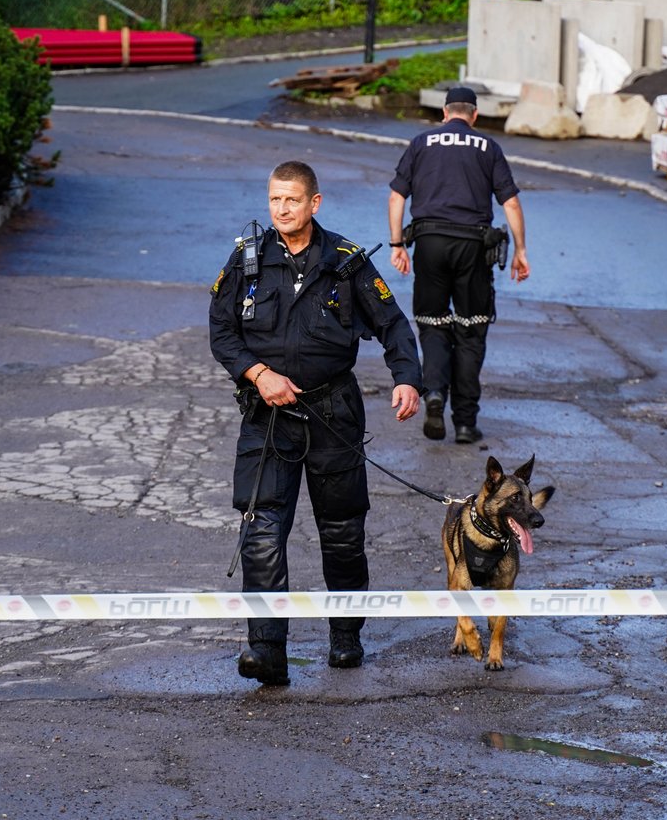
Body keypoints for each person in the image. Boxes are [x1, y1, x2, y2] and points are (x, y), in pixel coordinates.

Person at [210, 160, 422, 687]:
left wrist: (406, 378)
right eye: (274, 199)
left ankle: (345, 636)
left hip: (333, 415)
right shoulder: (247, 260)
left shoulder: (346, 263)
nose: (281, 209)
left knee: (343, 534)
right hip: (268, 418)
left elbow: (393, 324)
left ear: (314, 203)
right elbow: (221, 331)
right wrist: (258, 374)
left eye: (292, 200)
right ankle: (267, 651)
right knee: (261, 531)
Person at [387, 85, 529, 445]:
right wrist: (520, 250)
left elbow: (396, 196)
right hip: (473, 247)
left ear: (445, 113)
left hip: (429, 243)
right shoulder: (488, 147)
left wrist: (397, 244)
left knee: (433, 324)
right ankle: (465, 423)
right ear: (474, 115)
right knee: (471, 330)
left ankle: (434, 393)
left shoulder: (421, 143)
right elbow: (511, 203)